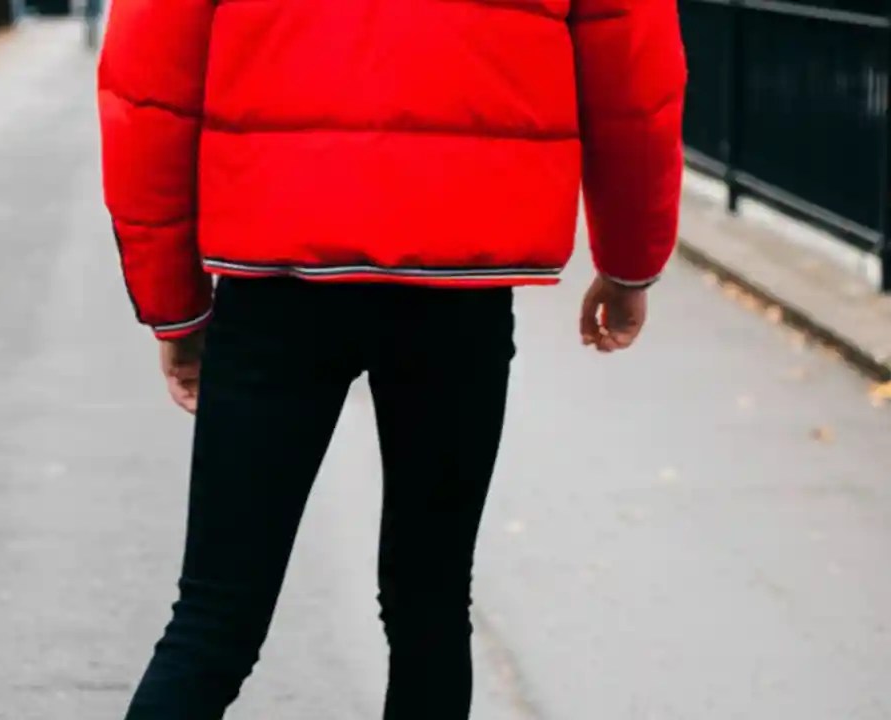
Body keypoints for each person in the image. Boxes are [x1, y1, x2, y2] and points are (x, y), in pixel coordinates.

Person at [98, 0, 686, 717]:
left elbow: (147, 86)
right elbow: (635, 80)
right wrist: (629, 262)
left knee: (216, 615)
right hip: (457, 280)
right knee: (430, 603)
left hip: (274, 278)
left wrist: (176, 305)